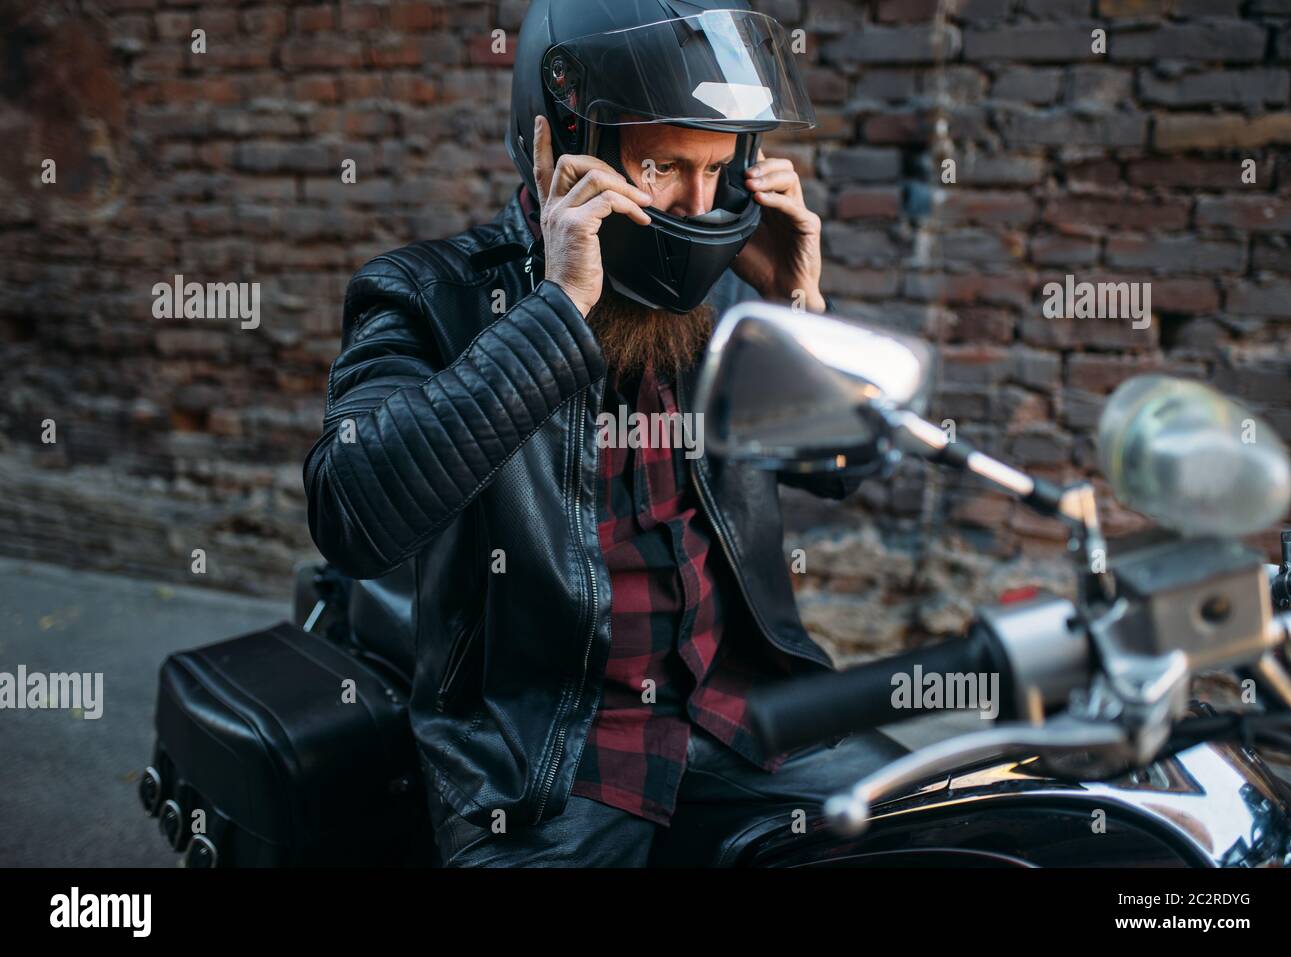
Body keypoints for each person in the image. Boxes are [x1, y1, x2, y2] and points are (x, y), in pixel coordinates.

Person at [303, 0, 906, 867]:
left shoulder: (730, 294)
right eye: (663, 166)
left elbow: (844, 466)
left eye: (718, 169)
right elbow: (352, 512)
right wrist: (556, 314)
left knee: (963, 833)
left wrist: (797, 312)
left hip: (749, 715)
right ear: (560, 144)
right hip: (543, 756)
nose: (699, 208)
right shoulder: (430, 295)